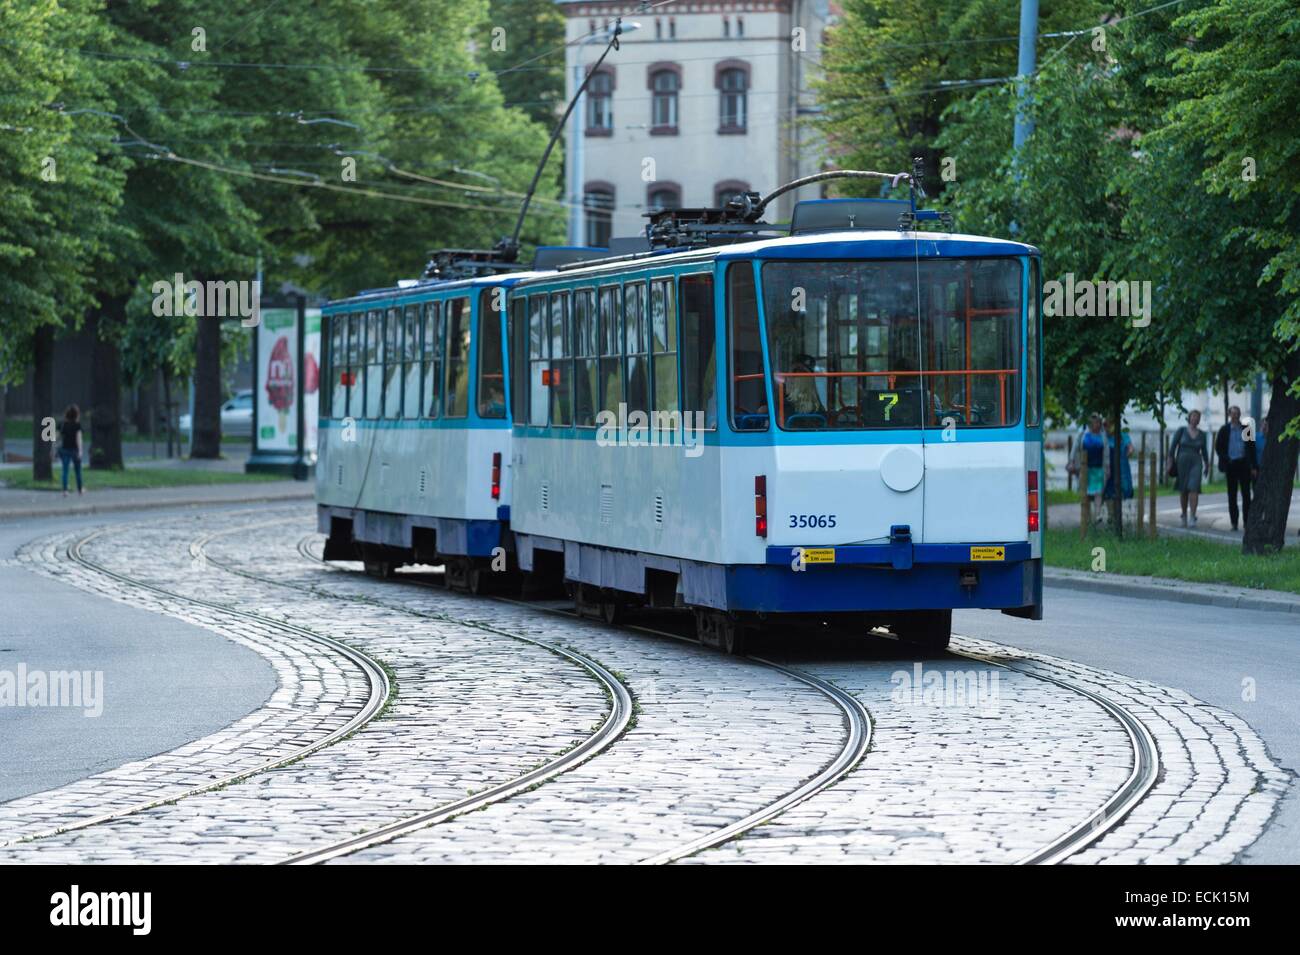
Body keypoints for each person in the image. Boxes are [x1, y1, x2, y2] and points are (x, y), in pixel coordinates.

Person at [1215, 405, 1257, 531]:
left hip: (1244, 464)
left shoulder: (1246, 429)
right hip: (1231, 464)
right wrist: (1226, 458)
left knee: (1246, 494)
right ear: (1229, 415)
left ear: (1240, 414)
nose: (1235, 415)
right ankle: (1234, 522)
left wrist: (1253, 466)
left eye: (1237, 413)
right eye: (1233, 413)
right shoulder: (1224, 430)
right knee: (1232, 495)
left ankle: (1246, 522)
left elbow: (1252, 448)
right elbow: (1218, 447)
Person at [1170, 409, 1210, 527]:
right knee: (1183, 490)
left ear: (1199, 420)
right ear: (1189, 418)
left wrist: (1207, 464)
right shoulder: (1181, 431)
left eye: (1197, 417)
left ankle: (1193, 516)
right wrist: (1170, 460)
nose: (1195, 419)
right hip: (1182, 462)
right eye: (1193, 416)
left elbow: (1205, 451)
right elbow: (1172, 447)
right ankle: (1184, 515)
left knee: (1194, 488)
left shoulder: (1202, 434)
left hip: (1196, 462)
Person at [1074, 414, 1108, 520]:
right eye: (1095, 422)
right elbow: (1075, 448)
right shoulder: (1083, 434)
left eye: (1098, 422)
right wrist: (1072, 462)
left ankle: (1097, 514)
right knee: (1086, 493)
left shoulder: (1102, 435)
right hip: (1085, 469)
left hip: (1099, 468)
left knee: (1099, 492)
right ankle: (1086, 517)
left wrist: (1108, 466)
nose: (1097, 425)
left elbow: (1106, 453)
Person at [1103, 418, 1134, 502]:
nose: (1106, 427)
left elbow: (1130, 447)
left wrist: (1128, 453)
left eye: (1108, 425)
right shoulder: (1103, 436)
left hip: (1121, 464)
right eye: (1105, 425)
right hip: (1108, 466)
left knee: (1124, 485)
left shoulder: (1122, 434)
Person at [58, 404, 84, 497]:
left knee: (65, 471)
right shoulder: (77, 425)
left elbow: (58, 438)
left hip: (65, 449)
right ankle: (80, 490)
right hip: (75, 450)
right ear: (77, 415)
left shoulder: (63, 425)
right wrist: (80, 451)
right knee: (78, 471)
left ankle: (65, 491)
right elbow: (79, 439)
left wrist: (52, 449)